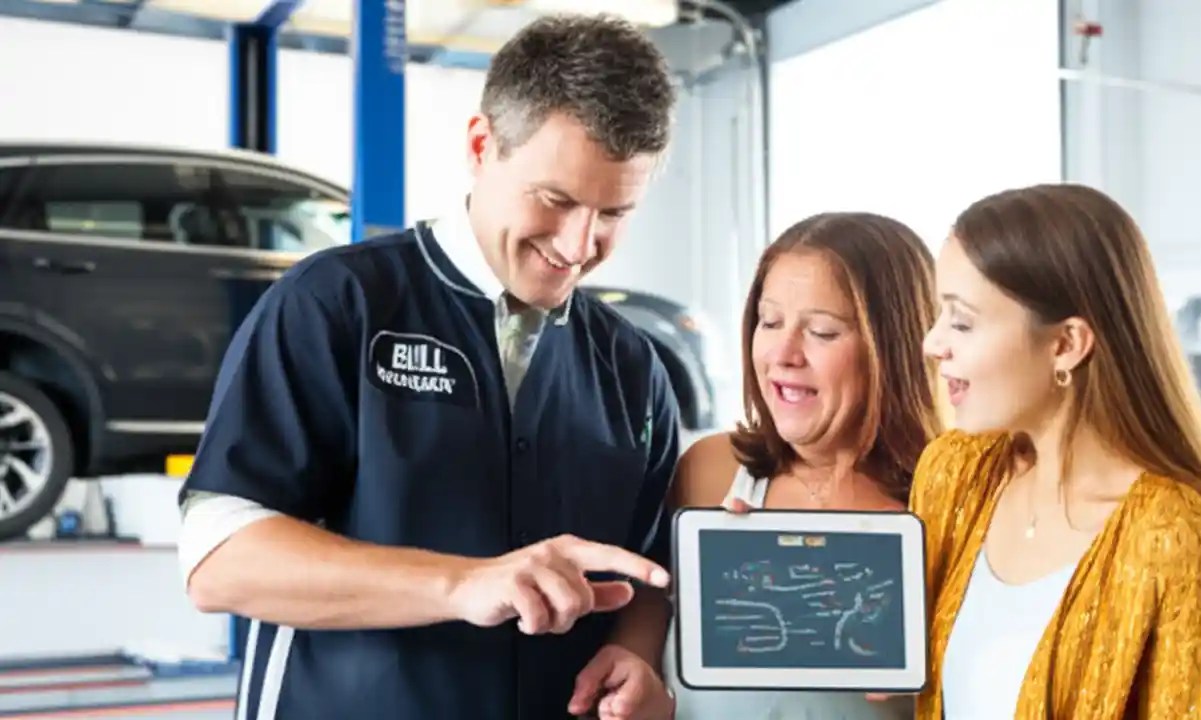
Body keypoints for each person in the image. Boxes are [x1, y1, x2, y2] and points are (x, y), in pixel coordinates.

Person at [176, 14, 686, 720]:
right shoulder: (337, 303)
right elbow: (219, 562)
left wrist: (634, 650)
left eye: (613, 213)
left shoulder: (636, 370)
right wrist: (461, 584)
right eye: (556, 200)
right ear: (482, 146)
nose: (579, 243)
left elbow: (650, 569)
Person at [912, 183, 1201, 718]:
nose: (933, 344)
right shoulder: (954, 475)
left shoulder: (1182, 543)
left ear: (1066, 344)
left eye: (962, 321)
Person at [659, 212, 943, 719]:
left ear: (894, 348)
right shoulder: (709, 470)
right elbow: (645, 621)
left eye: (822, 331)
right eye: (769, 322)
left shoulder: (949, 502)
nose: (783, 353)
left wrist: (932, 680)